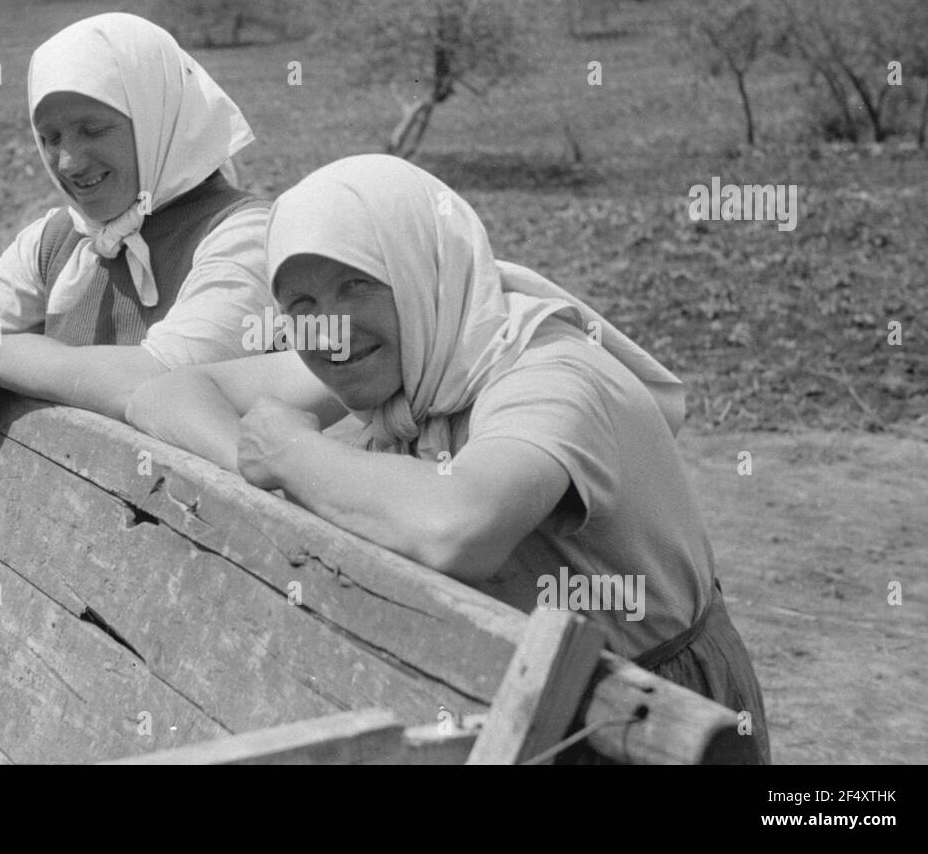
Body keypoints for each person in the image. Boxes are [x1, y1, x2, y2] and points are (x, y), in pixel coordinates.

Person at [126, 155, 770, 763]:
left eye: (356, 284)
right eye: (301, 305)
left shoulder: (549, 374)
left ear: (419, 271)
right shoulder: (398, 354)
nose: (331, 328)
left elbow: (456, 527)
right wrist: (259, 465)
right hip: (512, 699)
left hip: (644, 717)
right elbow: (163, 393)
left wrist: (296, 455)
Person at [0, 13, 271, 421]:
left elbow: (167, 387)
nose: (68, 162)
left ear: (158, 116)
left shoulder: (244, 237)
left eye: (94, 130)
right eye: (51, 138)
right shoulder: (59, 239)